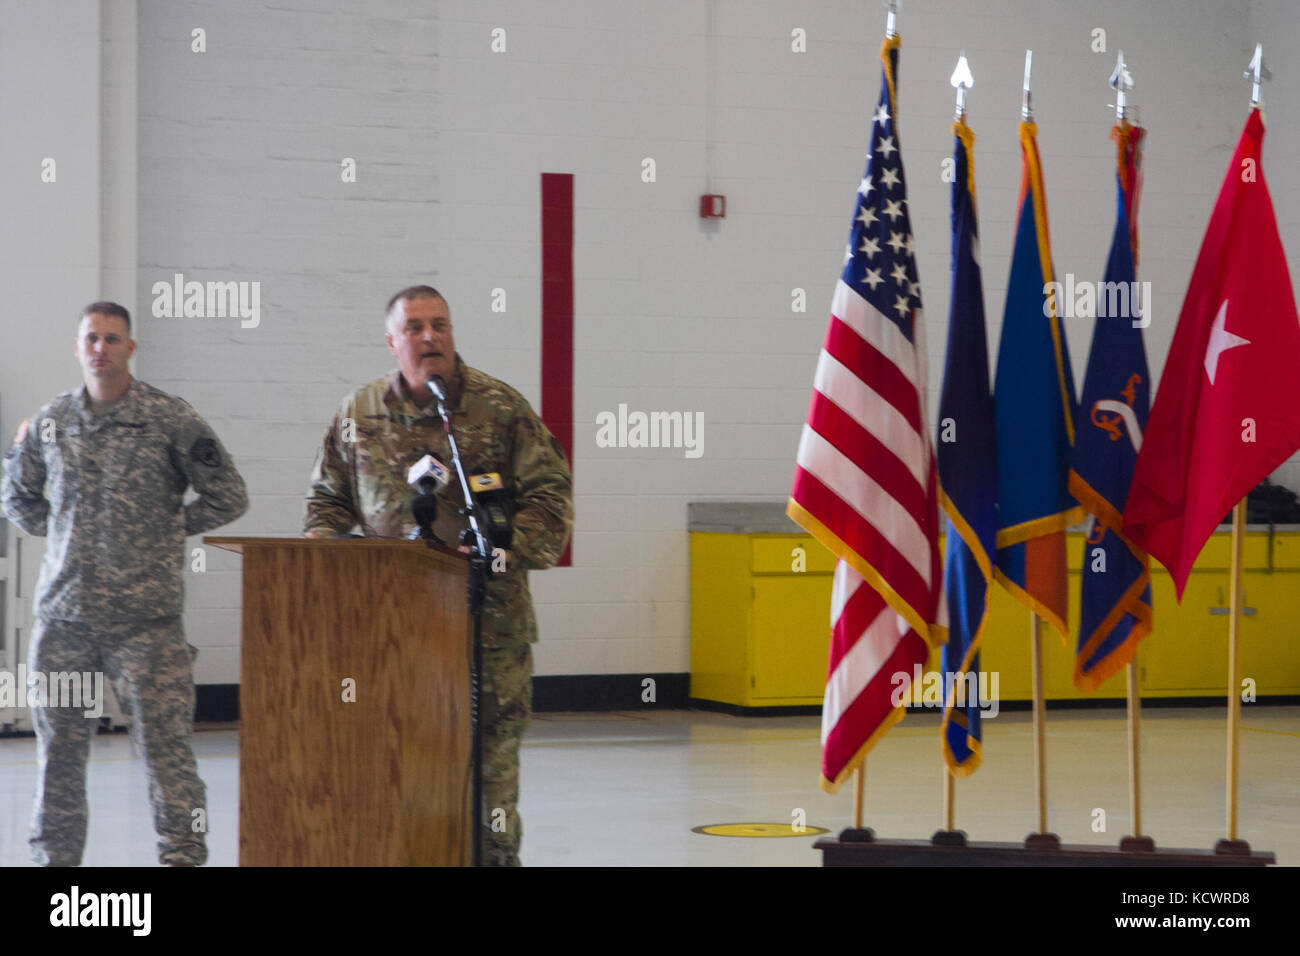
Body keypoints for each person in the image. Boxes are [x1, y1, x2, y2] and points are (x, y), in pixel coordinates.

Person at [303, 285, 572, 866]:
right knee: (395, 767)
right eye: (417, 328)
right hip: (390, 633)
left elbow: (551, 500)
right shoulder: (359, 413)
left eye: (441, 325)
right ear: (392, 341)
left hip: (488, 628)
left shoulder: (498, 408)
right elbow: (327, 502)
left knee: (490, 777)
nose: (431, 338)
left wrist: (496, 547)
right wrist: (325, 558)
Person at [1, 301, 248, 866]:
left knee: (167, 757)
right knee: (59, 757)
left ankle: (183, 856)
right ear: (77, 346)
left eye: (113, 339)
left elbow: (228, 494)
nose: (101, 348)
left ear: (130, 349)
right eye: (91, 338)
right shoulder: (51, 421)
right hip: (65, 621)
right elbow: (15, 495)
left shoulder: (170, 419)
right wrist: (63, 531)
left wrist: (170, 525)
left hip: (147, 626)